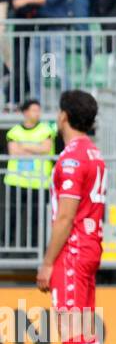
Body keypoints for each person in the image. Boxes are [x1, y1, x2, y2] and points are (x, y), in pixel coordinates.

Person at [34, 91, 106, 344]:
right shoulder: (94, 153)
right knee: (87, 327)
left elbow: (65, 216)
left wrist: (48, 262)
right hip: (92, 247)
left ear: (64, 116)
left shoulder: (71, 158)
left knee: (72, 326)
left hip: (73, 249)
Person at [4, 98, 55, 250]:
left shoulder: (46, 129)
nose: (37, 113)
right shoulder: (14, 131)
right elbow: (14, 152)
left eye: (39, 110)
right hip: (17, 181)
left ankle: (37, 248)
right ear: (25, 112)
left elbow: (45, 149)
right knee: (11, 215)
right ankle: (7, 245)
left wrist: (23, 146)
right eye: (34, 110)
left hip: (39, 182)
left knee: (37, 218)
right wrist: (35, 147)